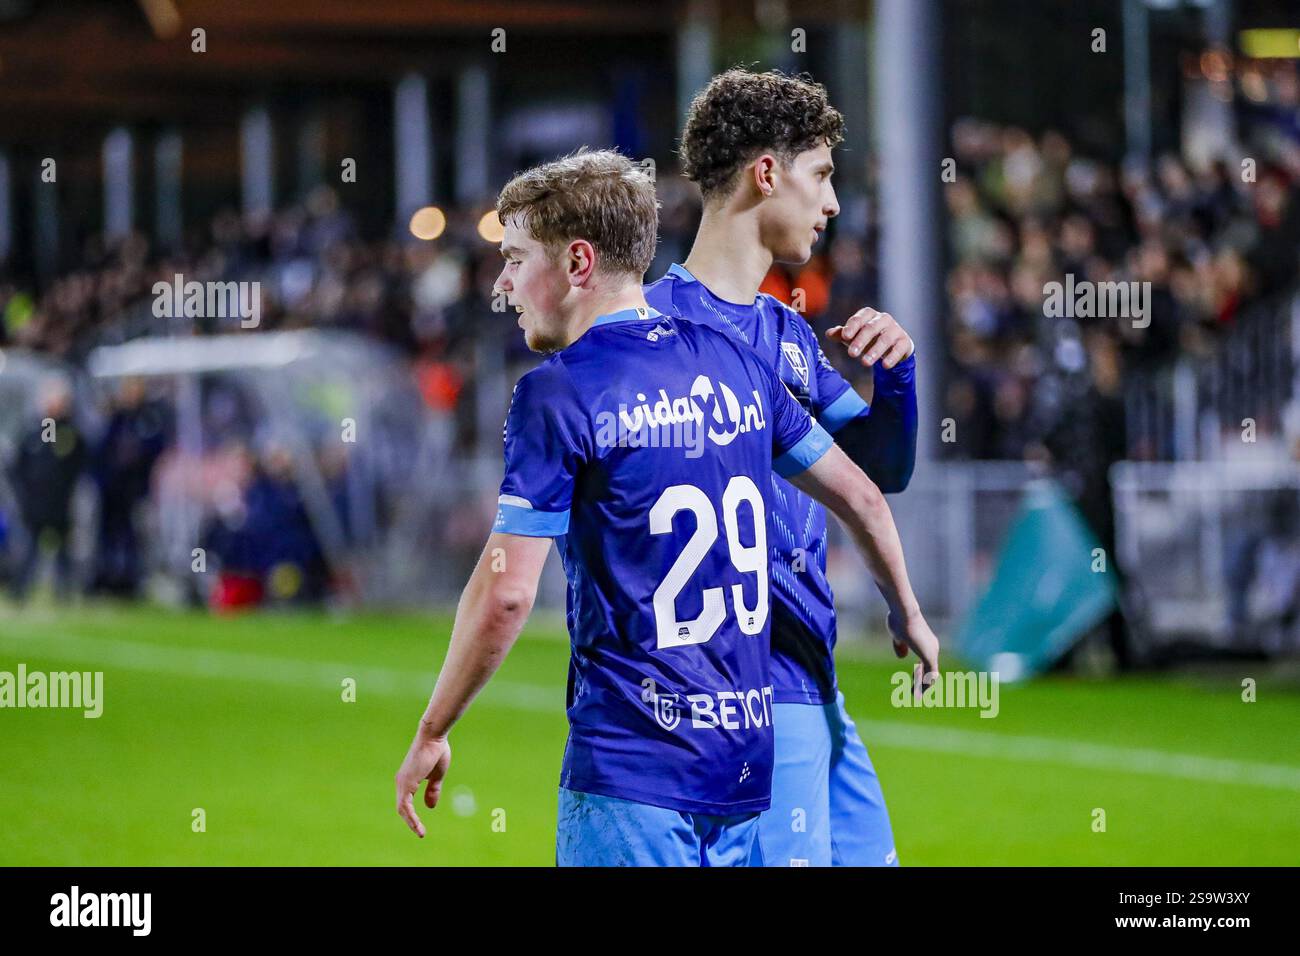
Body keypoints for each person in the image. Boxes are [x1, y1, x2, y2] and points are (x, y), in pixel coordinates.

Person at [393, 149, 938, 866]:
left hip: (633, 767)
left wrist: (434, 727)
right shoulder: (738, 362)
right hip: (743, 766)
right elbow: (863, 494)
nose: (503, 284)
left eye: (517, 258)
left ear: (578, 262)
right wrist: (908, 610)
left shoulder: (558, 392)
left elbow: (507, 594)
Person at [645, 68, 918, 866]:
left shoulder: (789, 335)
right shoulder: (655, 335)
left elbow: (877, 473)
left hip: (816, 678)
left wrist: (896, 379)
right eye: (823, 175)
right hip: (747, 690)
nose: (833, 203)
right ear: (767, 174)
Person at [7, 379, 87, 601]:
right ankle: (19, 592)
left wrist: (65, 491)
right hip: (34, 505)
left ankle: (65, 594)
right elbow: (17, 467)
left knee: (63, 552)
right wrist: (25, 494)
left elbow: (76, 466)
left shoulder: (70, 434)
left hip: (60, 503)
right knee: (30, 550)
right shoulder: (34, 433)